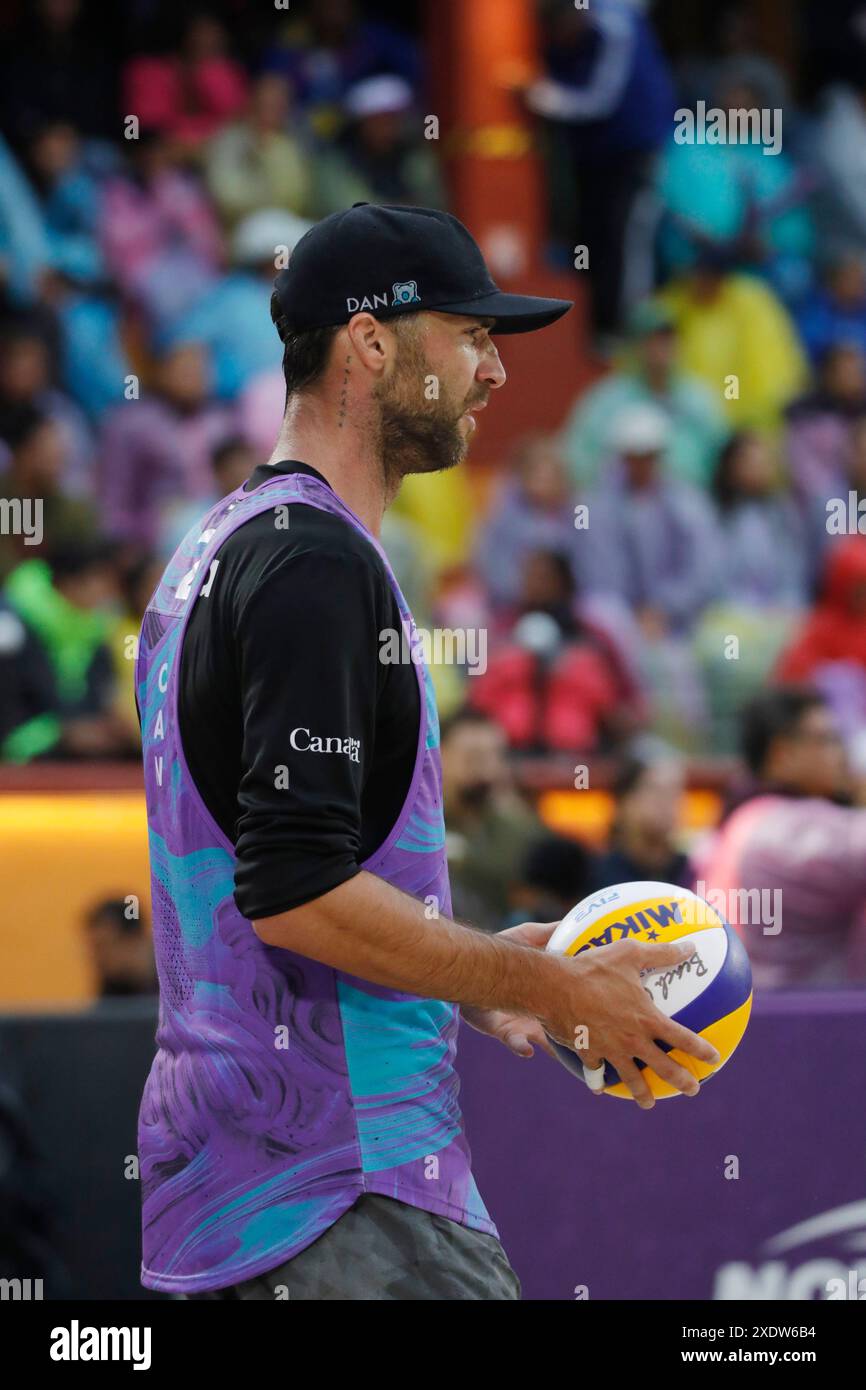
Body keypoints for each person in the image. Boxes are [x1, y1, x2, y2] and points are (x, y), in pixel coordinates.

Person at [135, 203, 717, 1302]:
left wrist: (460, 974)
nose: (495, 373)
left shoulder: (205, 554)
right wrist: (545, 982)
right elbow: (294, 894)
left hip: (225, 1196)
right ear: (370, 343)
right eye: (473, 336)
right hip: (343, 1197)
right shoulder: (314, 567)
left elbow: (271, 889)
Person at [695, 686, 866, 987]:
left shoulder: (741, 819)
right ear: (782, 753)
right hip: (796, 1022)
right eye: (828, 739)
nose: (842, 754)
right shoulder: (790, 827)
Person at [559, 300, 728, 490]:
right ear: (635, 347)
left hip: (693, 503)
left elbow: (722, 454)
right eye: (652, 341)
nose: (661, 350)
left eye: (668, 340)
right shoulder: (605, 400)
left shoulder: (699, 398)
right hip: (619, 506)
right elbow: (577, 457)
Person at [440, 708, 546, 931]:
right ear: (439, 755)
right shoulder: (416, 826)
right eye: (473, 758)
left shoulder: (518, 827)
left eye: (495, 756)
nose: (486, 771)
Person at [591, 756, 691, 891]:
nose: (667, 802)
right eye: (655, 791)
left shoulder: (692, 872)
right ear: (624, 801)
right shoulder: (595, 876)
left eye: (676, 791)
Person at [83, 899, 157, 1001]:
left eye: (101, 946)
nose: (94, 956)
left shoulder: (178, 982)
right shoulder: (114, 985)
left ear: (132, 940)